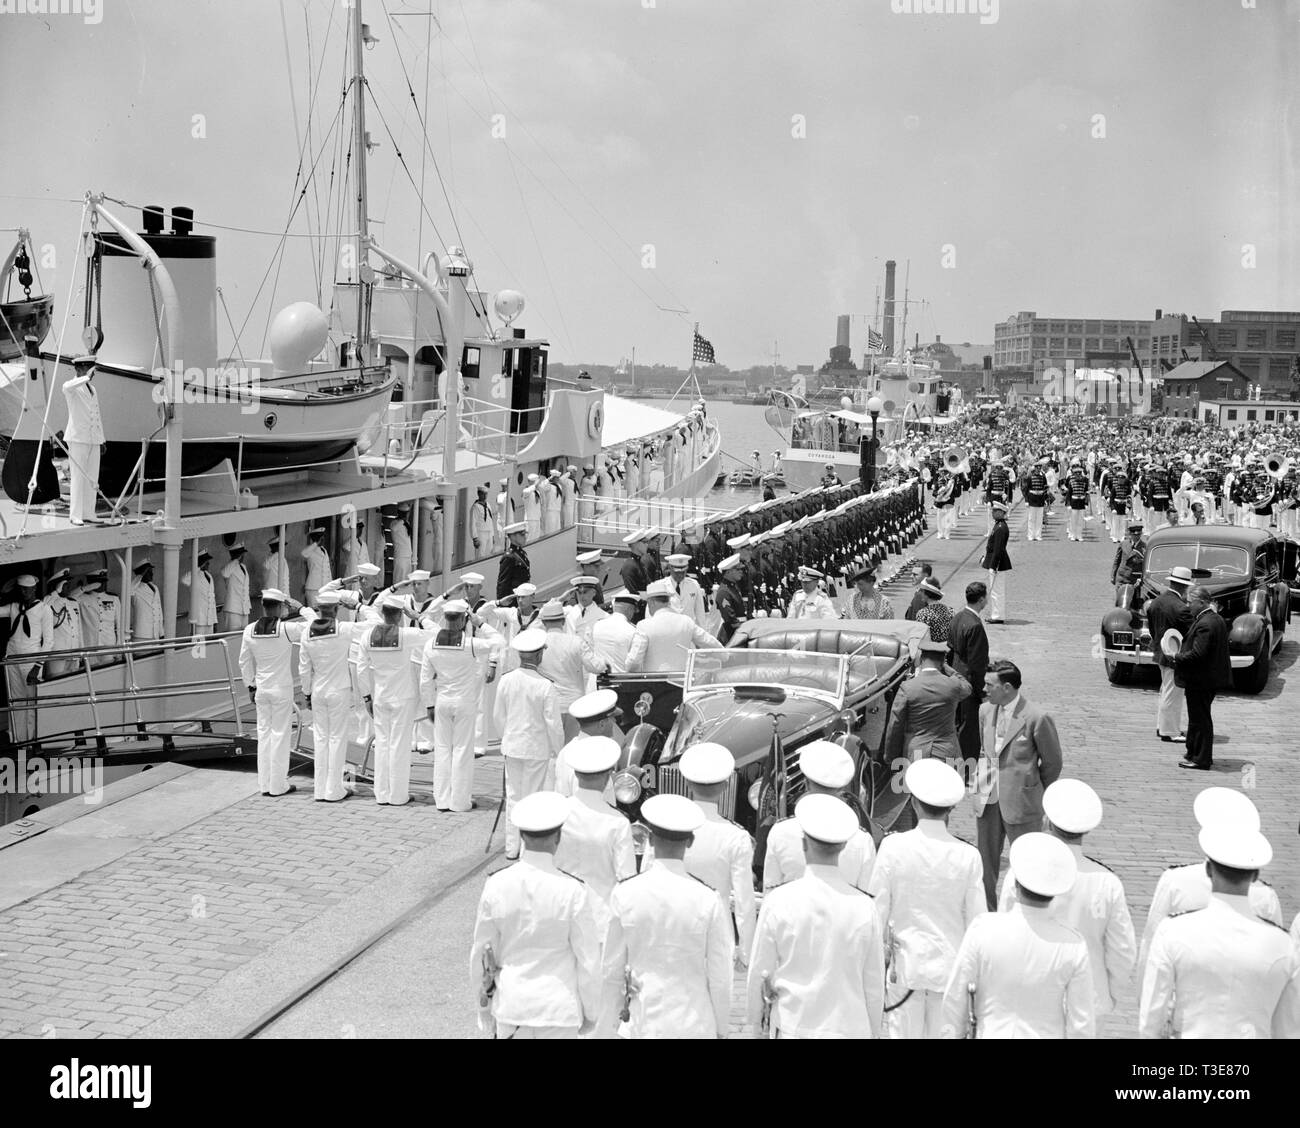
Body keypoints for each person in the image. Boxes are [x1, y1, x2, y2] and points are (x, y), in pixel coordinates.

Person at [999, 779, 1136, 1033]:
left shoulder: (1022, 871)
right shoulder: (1107, 882)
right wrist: (1109, 994)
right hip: (1089, 998)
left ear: (1047, 822)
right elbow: (1123, 950)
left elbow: (1005, 929)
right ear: (1086, 830)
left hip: (1030, 993)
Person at [1139, 823, 1300, 1038]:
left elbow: (1151, 1018)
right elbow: (1288, 1029)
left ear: (1208, 870)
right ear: (1255, 876)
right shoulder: (1282, 944)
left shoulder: (1173, 930)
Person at [747, 794, 885, 1039]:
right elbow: (873, 982)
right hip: (849, 1028)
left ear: (803, 844)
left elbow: (760, 970)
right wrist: (874, 1030)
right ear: (843, 846)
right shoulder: (865, 907)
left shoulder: (779, 900)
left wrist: (755, 1023)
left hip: (794, 1025)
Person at [469, 791, 601, 1039]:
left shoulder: (497, 884)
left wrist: (483, 1005)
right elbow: (588, 960)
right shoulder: (573, 890)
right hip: (558, 1010)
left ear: (521, 836)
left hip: (513, 1006)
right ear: (558, 837)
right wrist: (592, 1011)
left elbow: (481, 952)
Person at [868, 759, 985, 1039]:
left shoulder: (893, 847)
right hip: (950, 972)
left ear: (913, 804)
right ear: (951, 810)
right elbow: (978, 924)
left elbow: (876, 913)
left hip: (905, 967)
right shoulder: (968, 856)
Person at [600, 794, 733, 1038]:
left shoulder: (625, 892)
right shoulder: (708, 899)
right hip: (693, 1022)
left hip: (643, 1021)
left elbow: (611, 969)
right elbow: (720, 976)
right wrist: (721, 1028)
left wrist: (608, 1026)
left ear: (650, 839)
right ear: (691, 841)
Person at [943, 833, 1094, 1039]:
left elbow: (956, 997)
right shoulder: (1072, 945)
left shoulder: (984, 929)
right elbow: (1081, 1023)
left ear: (1015, 885)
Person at [1138, 788, 1284, 982]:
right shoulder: (1265, 896)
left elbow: (1152, 944)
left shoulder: (1176, 880)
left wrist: (1144, 999)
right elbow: (1277, 959)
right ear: (1255, 874)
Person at [973, 660, 1063, 910]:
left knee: (1026, 861)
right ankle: (987, 911)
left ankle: (1021, 911)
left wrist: (1034, 789)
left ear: (1008, 687)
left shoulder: (1036, 717)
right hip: (988, 798)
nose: (984, 689)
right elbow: (985, 750)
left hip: (1022, 803)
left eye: (990, 685)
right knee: (985, 863)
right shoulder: (984, 711)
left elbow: (1053, 762)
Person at [679, 743, 757, 968]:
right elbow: (744, 900)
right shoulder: (735, 836)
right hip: (717, 934)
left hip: (673, 928)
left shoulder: (668, 827)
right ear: (725, 786)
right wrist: (746, 952)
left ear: (686, 782)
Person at [420, 599, 502, 812]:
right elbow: (498, 641)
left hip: (442, 701)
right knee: (462, 751)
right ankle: (460, 801)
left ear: (445, 618)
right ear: (465, 618)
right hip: (464, 702)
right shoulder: (470, 643)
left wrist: (429, 705)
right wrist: (481, 623)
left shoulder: (431, 644)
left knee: (443, 750)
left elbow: (425, 680)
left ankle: (442, 799)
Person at [762, 740, 875, 891]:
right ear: (842, 787)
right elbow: (867, 898)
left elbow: (770, 890)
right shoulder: (862, 840)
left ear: (806, 783)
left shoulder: (780, 831)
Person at [357, 592, 436, 806]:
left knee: (382, 744)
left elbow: (361, 669)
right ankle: (398, 795)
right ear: (400, 615)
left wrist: (366, 697)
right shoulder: (406, 634)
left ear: (382, 613)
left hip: (380, 697)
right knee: (399, 746)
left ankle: (381, 793)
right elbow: (436, 633)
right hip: (403, 697)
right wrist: (418, 616)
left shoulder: (367, 636)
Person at [553, 735, 636, 938]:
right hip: (601, 922)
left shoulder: (557, 813)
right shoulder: (617, 822)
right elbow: (627, 879)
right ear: (608, 776)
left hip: (561, 917)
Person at [495, 630, 566, 859]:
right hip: (536, 748)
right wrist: (558, 749)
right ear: (538, 656)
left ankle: (511, 847)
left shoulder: (506, 680)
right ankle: (527, 849)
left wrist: (506, 737)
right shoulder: (545, 685)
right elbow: (553, 724)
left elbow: (499, 716)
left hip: (513, 745)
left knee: (514, 796)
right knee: (533, 797)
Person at [238, 589, 308, 797]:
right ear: (279, 607)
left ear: (263, 606)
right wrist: (301, 608)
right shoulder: (287, 629)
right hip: (281, 689)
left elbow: (244, 661)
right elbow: (314, 626)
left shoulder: (249, 629)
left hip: (261, 689)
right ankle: (278, 784)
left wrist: (250, 686)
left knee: (264, 735)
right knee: (280, 735)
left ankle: (264, 784)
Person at [298, 589, 364, 802]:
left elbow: (303, 668)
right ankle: (334, 789)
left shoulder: (307, 632)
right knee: (337, 739)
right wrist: (359, 607)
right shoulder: (344, 629)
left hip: (318, 690)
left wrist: (306, 692)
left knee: (320, 738)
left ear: (319, 610)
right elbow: (375, 623)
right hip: (339, 690)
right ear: (336, 609)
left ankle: (320, 789)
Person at [1170, 585, 1232, 771]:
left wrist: (1175, 656)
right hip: (1207, 678)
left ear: (1201, 602)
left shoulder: (1206, 623)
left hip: (1201, 679)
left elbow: (1198, 654)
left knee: (1200, 720)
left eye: (1191, 602)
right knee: (1198, 718)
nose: (1188, 606)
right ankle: (1194, 752)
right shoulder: (1214, 619)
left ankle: (1201, 758)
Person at [538, 600, 609, 739]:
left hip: (549, 703)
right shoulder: (576, 641)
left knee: (552, 749)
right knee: (572, 747)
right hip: (574, 703)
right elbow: (595, 667)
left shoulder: (538, 643)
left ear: (544, 622)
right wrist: (605, 662)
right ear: (563, 621)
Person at [626, 579, 722, 673]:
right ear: (668, 601)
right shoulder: (686, 622)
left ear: (652, 602)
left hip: (655, 684)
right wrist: (726, 656)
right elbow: (709, 642)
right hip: (683, 683)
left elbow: (633, 662)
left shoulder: (644, 626)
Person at [1146, 563, 1195, 746]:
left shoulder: (1157, 602)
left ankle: (1163, 726)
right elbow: (1191, 634)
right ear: (1184, 587)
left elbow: (1152, 628)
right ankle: (1170, 731)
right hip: (1175, 654)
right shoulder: (1181, 608)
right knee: (1173, 694)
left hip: (1160, 652)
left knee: (1165, 691)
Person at [1, 576, 53, 745]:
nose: (23, 592)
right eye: (21, 589)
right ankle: (17, 737)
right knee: (15, 699)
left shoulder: (44, 609)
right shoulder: (14, 607)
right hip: (12, 656)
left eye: (26, 589)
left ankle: (32, 740)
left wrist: (38, 666)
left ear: (34, 589)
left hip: (31, 658)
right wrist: (3, 592)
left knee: (31, 701)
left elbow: (49, 641)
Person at [554, 690, 623, 801]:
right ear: (601, 724)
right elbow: (586, 802)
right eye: (612, 718)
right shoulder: (593, 755)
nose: (614, 721)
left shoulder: (566, 751)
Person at [949, 582, 989, 764]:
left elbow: (949, 649)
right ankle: (965, 769)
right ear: (981, 600)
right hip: (969, 683)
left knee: (957, 724)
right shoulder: (975, 626)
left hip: (955, 676)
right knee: (969, 729)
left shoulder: (957, 617)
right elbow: (977, 663)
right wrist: (981, 691)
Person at [61, 355, 104, 525]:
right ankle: (75, 514)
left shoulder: (92, 389)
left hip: (94, 438)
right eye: (87, 368)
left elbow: (96, 414)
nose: (91, 372)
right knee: (78, 476)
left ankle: (88, 511)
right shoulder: (70, 387)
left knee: (92, 477)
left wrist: (102, 439)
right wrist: (86, 377)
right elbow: (67, 386)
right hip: (78, 438)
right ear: (79, 369)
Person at [75, 569, 120, 664]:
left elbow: (120, 625)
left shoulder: (113, 598)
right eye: (99, 582)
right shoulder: (82, 598)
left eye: (103, 581)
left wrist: (119, 649)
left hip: (109, 646)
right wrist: (84, 588)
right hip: (90, 646)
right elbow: (70, 598)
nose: (102, 584)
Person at [43, 570, 82, 677]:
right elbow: (45, 604)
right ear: (58, 586)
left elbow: (79, 629)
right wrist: (56, 592)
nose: (68, 588)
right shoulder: (50, 600)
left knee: (74, 682)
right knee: (55, 679)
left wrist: (81, 650)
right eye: (64, 585)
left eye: (68, 585)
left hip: (74, 651)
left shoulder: (72, 603)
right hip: (58, 652)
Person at [590, 593, 638, 673]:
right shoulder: (633, 631)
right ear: (629, 609)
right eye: (633, 610)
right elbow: (634, 662)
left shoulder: (596, 625)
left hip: (598, 680)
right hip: (621, 680)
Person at [980, 502, 1011, 623]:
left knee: (996, 591)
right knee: (995, 591)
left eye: (995, 511)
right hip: (995, 562)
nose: (992, 513)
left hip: (997, 564)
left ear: (1001, 513)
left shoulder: (1000, 528)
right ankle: (996, 614)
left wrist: (993, 565)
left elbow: (998, 550)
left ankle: (998, 616)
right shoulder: (999, 525)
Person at [664, 553, 707, 629]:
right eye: (677, 572)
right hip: (669, 633)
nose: (680, 575)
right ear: (670, 568)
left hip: (688, 634)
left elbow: (700, 613)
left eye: (683, 572)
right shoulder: (661, 586)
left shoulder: (694, 585)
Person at [180, 550, 217, 638]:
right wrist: (197, 567)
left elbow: (212, 600)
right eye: (206, 561)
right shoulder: (193, 575)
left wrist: (215, 621)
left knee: (210, 646)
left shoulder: (209, 576)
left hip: (209, 619)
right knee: (198, 649)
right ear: (201, 562)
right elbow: (184, 580)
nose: (208, 564)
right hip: (199, 619)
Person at [712, 554, 747, 644]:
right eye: (738, 569)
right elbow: (730, 619)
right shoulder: (724, 592)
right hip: (732, 636)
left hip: (740, 631)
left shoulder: (733, 587)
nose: (741, 572)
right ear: (728, 572)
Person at [129, 561, 164, 642]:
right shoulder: (135, 589)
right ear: (142, 574)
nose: (152, 574)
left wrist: (161, 633)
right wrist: (139, 576)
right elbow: (128, 591)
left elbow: (159, 611)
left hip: (155, 634)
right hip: (141, 635)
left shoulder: (154, 587)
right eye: (148, 572)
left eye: (151, 572)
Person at [913, 576, 953, 645]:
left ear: (927, 594)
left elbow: (921, 639)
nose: (920, 593)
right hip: (948, 650)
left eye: (922, 591)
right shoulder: (950, 611)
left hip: (933, 652)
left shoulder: (923, 614)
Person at [221, 544, 252, 634]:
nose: (243, 557)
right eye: (241, 555)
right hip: (233, 608)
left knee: (244, 636)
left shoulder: (243, 567)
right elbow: (224, 573)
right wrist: (235, 560)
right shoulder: (229, 567)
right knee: (232, 636)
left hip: (244, 607)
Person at [495, 523, 530, 600]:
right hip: (513, 601)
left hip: (522, 598)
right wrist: (502, 604)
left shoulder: (521, 553)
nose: (525, 537)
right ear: (513, 537)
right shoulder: (509, 557)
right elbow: (503, 584)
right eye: (522, 534)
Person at [301, 526, 332, 608]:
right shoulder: (310, 550)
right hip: (313, 588)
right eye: (322, 538)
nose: (323, 539)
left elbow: (327, 571)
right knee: (314, 613)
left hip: (324, 587)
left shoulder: (324, 550)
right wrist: (315, 543)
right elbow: (303, 554)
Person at [619, 529, 652, 595]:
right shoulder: (629, 566)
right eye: (644, 542)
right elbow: (631, 592)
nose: (647, 545)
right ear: (636, 545)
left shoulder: (639, 563)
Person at [470, 484, 496, 556]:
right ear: (478, 494)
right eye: (482, 494)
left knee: (489, 553)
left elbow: (490, 520)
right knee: (480, 555)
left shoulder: (488, 505)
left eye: (486, 494)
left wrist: (493, 535)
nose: (484, 496)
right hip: (481, 534)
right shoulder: (475, 507)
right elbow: (472, 523)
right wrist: (475, 538)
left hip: (489, 532)